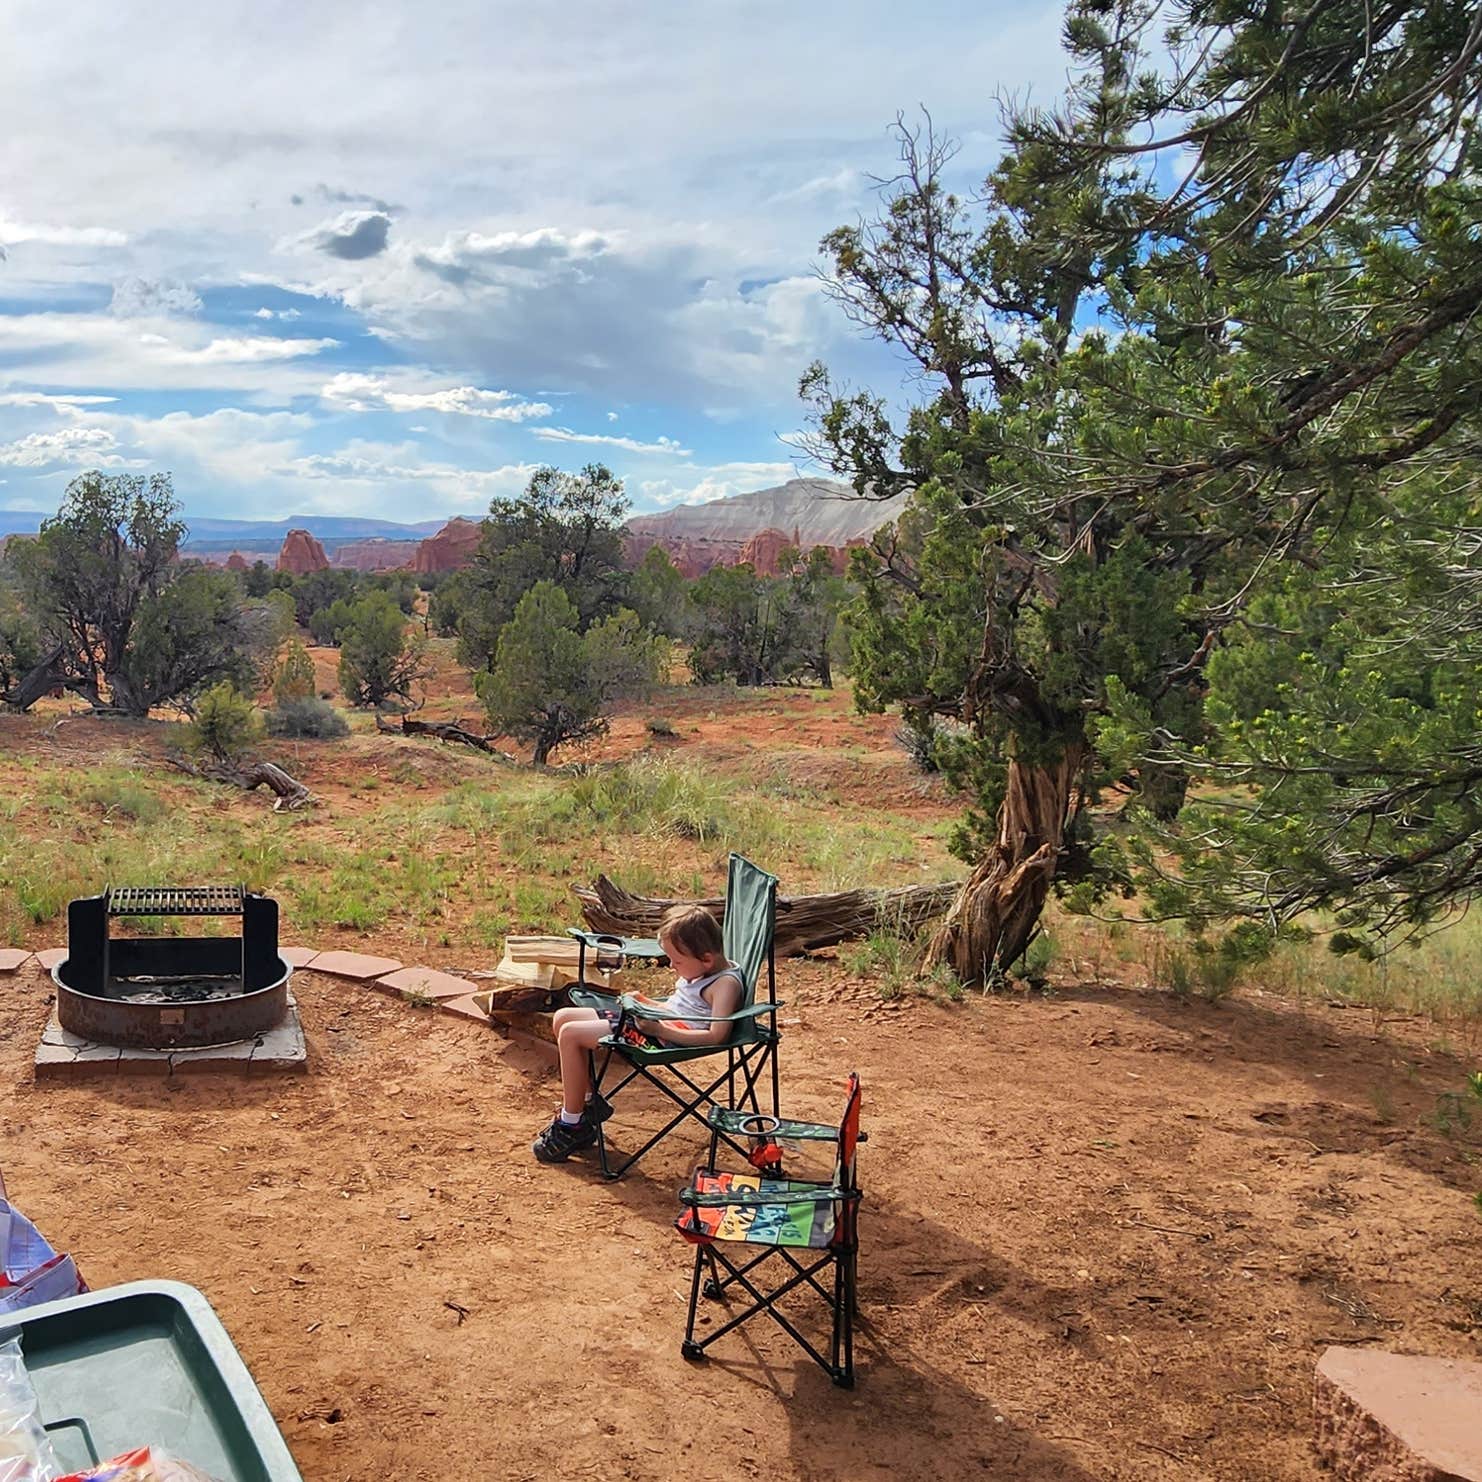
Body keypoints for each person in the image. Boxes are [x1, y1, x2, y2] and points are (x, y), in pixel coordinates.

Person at [531, 903, 741, 1163]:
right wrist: (647, 1003)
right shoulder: (701, 970)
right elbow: (680, 1007)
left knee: (571, 1035)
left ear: (706, 958)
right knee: (562, 1018)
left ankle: (571, 1124)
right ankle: (588, 1104)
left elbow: (715, 1035)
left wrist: (659, 1028)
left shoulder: (725, 985)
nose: (672, 967)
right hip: (654, 1024)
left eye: (677, 961)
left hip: (662, 1038)